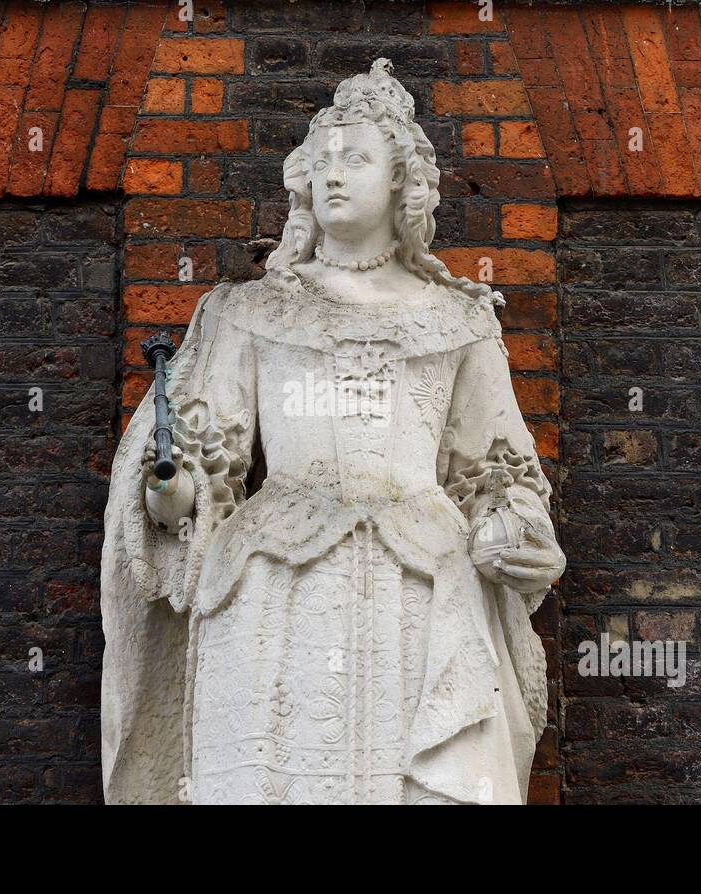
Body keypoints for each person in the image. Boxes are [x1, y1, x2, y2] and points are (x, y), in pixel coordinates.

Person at [101, 59, 566, 804]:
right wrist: (173, 491)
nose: (334, 175)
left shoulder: (460, 320)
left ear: (401, 181)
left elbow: (494, 466)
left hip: (423, 580)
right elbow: (203, 450)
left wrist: (513, 525)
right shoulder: (249, 310)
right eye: (321, 162)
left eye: (356, 159)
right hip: (276, 582)